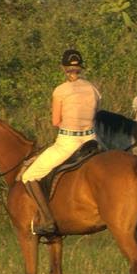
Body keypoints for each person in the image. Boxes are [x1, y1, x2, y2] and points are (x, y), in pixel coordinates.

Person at [21, 49, 101, 236]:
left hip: (68, 142)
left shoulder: (60, 91)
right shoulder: (94, 89)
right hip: (92, 141)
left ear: (63, 68)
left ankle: (48, 220)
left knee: (29, 176)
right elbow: (96, 115)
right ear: (80, 68)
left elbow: (56, 122)